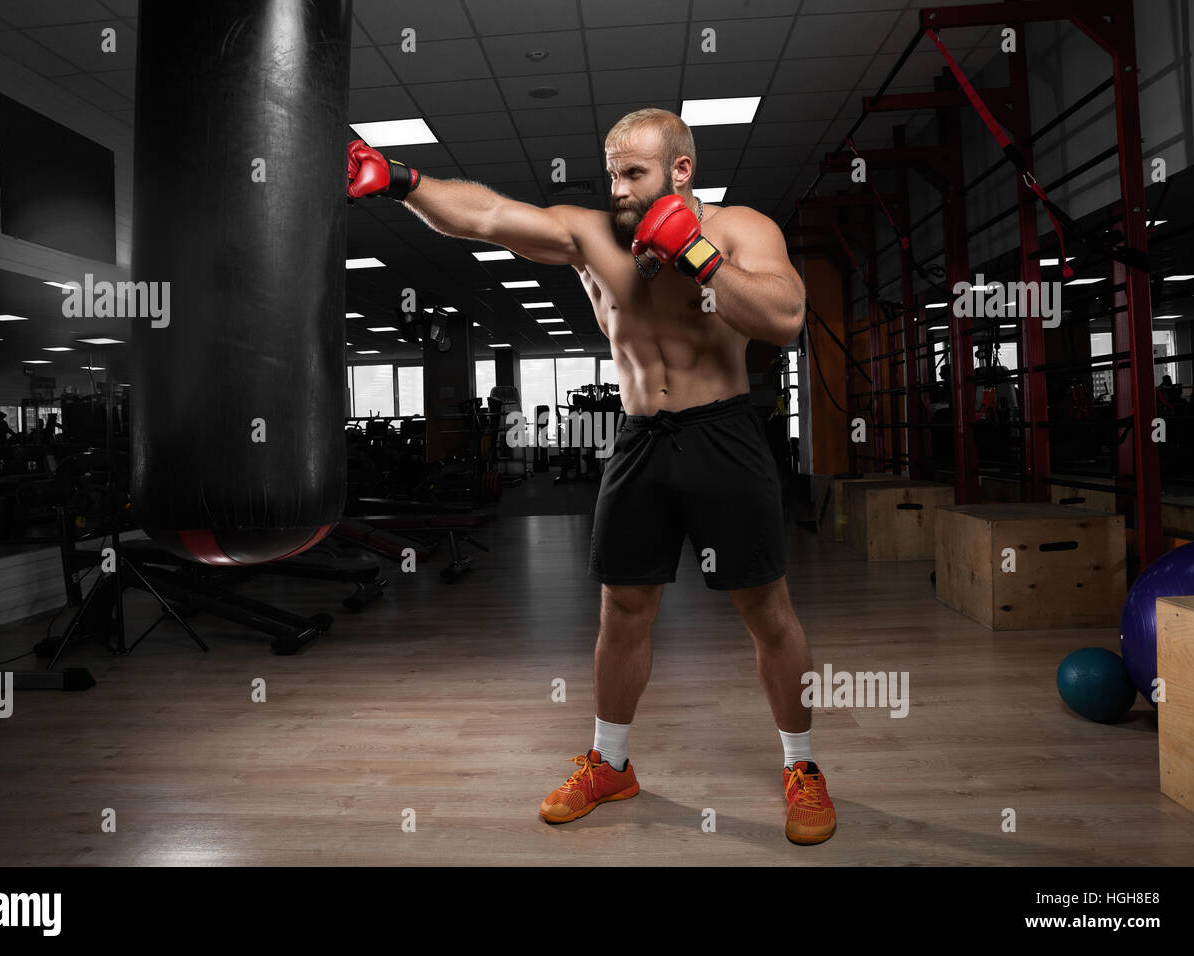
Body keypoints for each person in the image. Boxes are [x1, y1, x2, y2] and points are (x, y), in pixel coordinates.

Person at [347, 107, 835, 845]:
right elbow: (488, 216)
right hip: (639, 442)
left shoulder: (741, 228)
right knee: (623, 610)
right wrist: (402, 181)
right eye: (612, 174)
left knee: (767, 610)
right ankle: (610, 764)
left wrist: (697, 253)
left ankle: (802, 767)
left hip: (723, 433)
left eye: (634, 173)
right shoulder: (592, 235)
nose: (619, 190)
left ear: (681, 170)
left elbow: (785, 317)